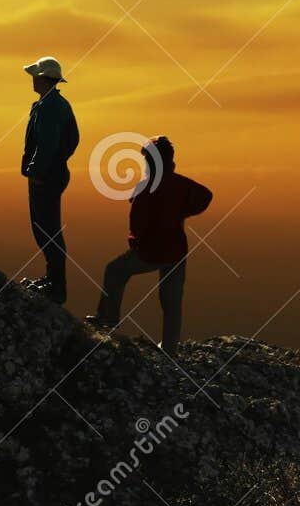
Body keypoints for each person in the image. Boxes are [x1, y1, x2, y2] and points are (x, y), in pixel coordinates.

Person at [85, 136, 212, 356]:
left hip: (151, 251)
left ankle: (107, 321)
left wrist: (136, 244)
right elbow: (205, 196)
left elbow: (138, 223)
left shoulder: (147, 187)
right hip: (176, 250)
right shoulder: (180, 183)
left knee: (114, 271)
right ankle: (170, 349)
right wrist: (183, 211)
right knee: (171, 300)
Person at [20, 56, 79, 304]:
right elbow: (72, 140)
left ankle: (56, 288)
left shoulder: (49, 107)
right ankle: (52, 280)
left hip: (45, 177)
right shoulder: (55, 104)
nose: (32, 79)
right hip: (53, 174)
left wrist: (37, 171)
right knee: (46, 228)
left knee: (46, 229)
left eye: (36, 75)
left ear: (43, 78)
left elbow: (47, 145)